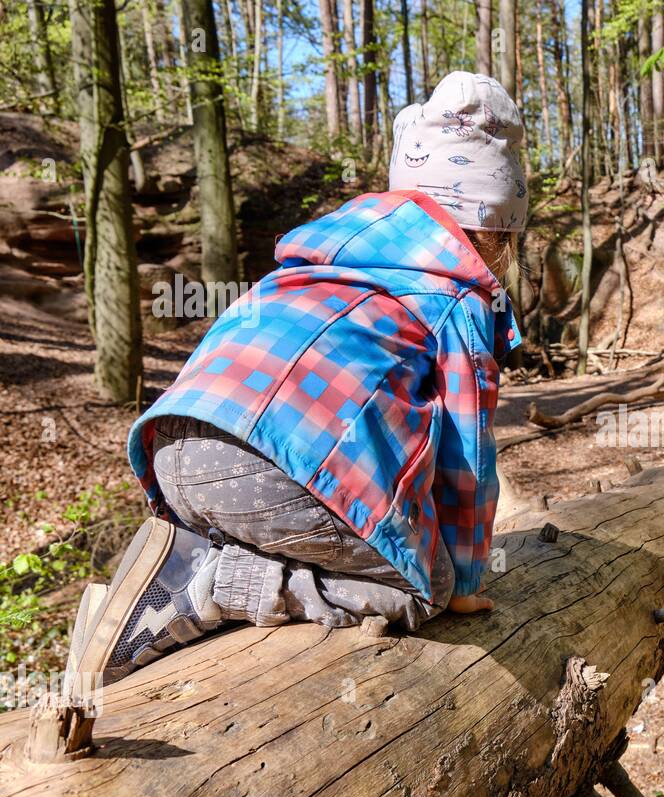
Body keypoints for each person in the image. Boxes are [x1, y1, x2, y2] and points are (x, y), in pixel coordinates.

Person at [65, 72, 528, 687]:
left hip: (172, 442)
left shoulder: (315, 257)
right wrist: (463, 579)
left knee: (294, 514)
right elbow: (466, 458)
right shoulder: (453, 295)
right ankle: (221, 584)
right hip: (271, 474)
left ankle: (152, 605)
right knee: (430, 587)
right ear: (495, 227)